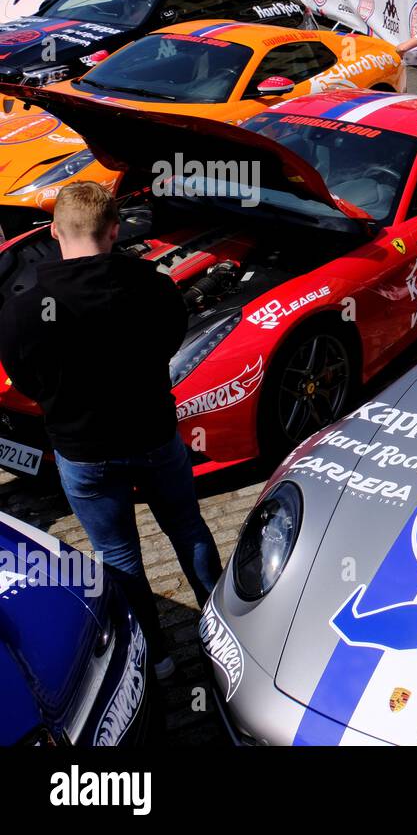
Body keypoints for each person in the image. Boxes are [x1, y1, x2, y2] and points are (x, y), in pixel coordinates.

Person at [0, 182, 221, 679]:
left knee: (117, 553)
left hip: (83, 452)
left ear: (54, 231)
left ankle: (156, 657)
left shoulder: (22, 309)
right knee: (188, 529)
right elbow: (170, 343)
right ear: (115, 230)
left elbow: (28, 381)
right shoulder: (155, 288)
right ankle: (221, 629)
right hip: (154, 436)